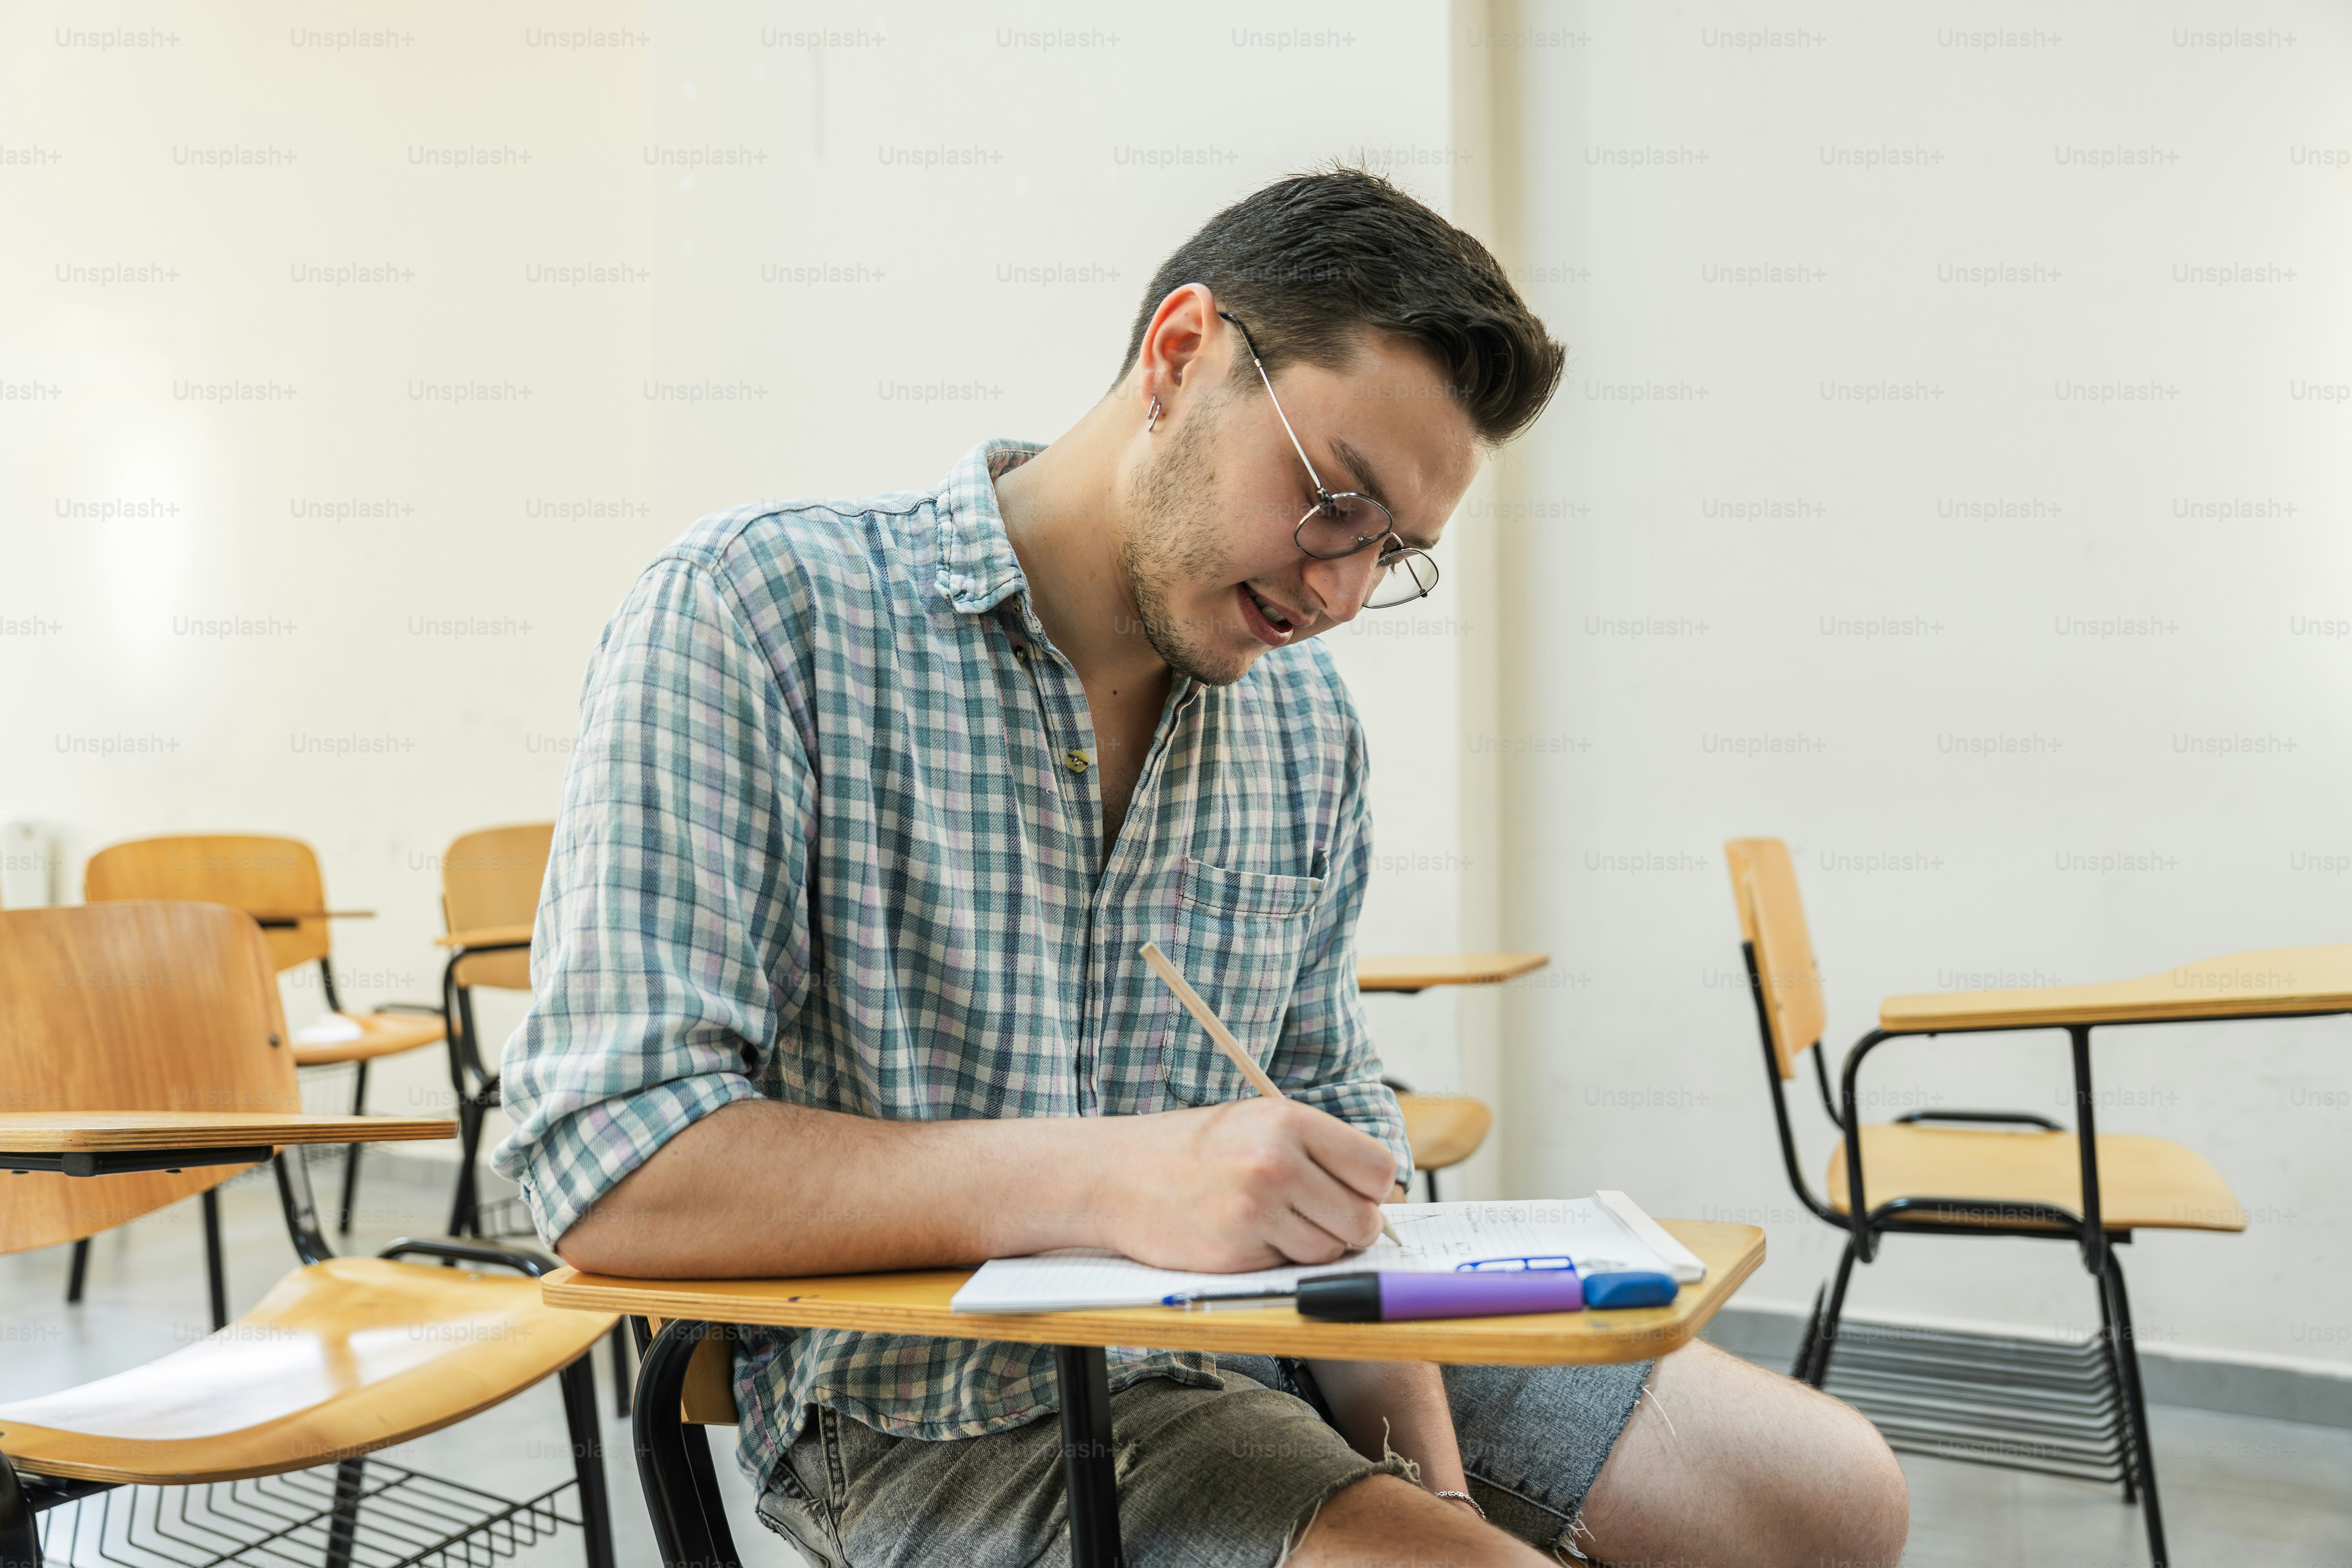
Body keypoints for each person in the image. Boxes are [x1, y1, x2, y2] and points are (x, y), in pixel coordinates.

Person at [493, 168, 1907, 1567]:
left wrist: (1435, 1487)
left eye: (1394, 553)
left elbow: (1338, 1133)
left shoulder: (1303, 729)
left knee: (1835, 1496)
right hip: (943, 1418)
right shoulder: (760, 616)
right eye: (1334, 499)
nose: (1342, 592)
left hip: (1277, 1345)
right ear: (1181, 357)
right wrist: (1106, 1180)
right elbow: (604, 1161)